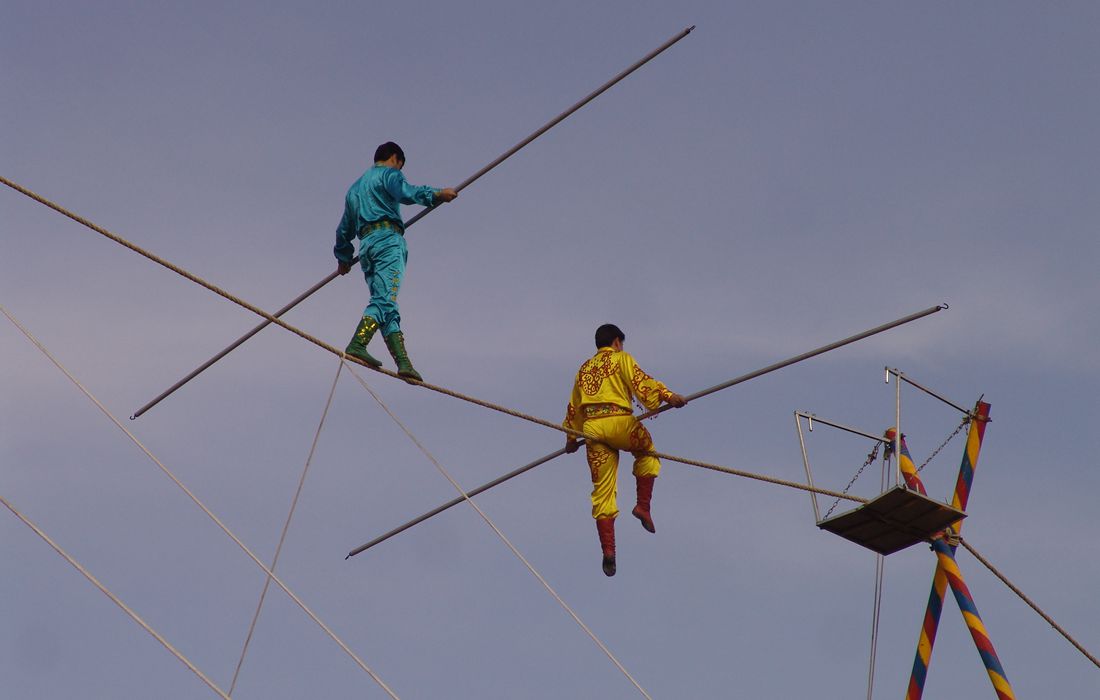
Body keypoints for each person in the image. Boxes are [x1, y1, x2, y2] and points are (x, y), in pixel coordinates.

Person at [563, 324, 686, 576]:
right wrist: (668, 395)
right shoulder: (621, 359)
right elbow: (641, 382)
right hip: (619, 423)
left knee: (602, 491)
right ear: (617, 342)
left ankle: (609, 551)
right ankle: (643, 506)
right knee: (648, 452)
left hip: (592, 430)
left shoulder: (583, 369)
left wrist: (571, 438)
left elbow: (574, 407)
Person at [334, 141, 458, 381]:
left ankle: (403, 362)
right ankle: (358, 342)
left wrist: (344, 258)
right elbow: (405, 192)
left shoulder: (354, 189)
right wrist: (436, 194)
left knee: (387, 304)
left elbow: (344, 230)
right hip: (387, 242)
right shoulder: (389, 174)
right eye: (400, 166)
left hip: (367, 246)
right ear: (395, 158)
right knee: (383, 300)